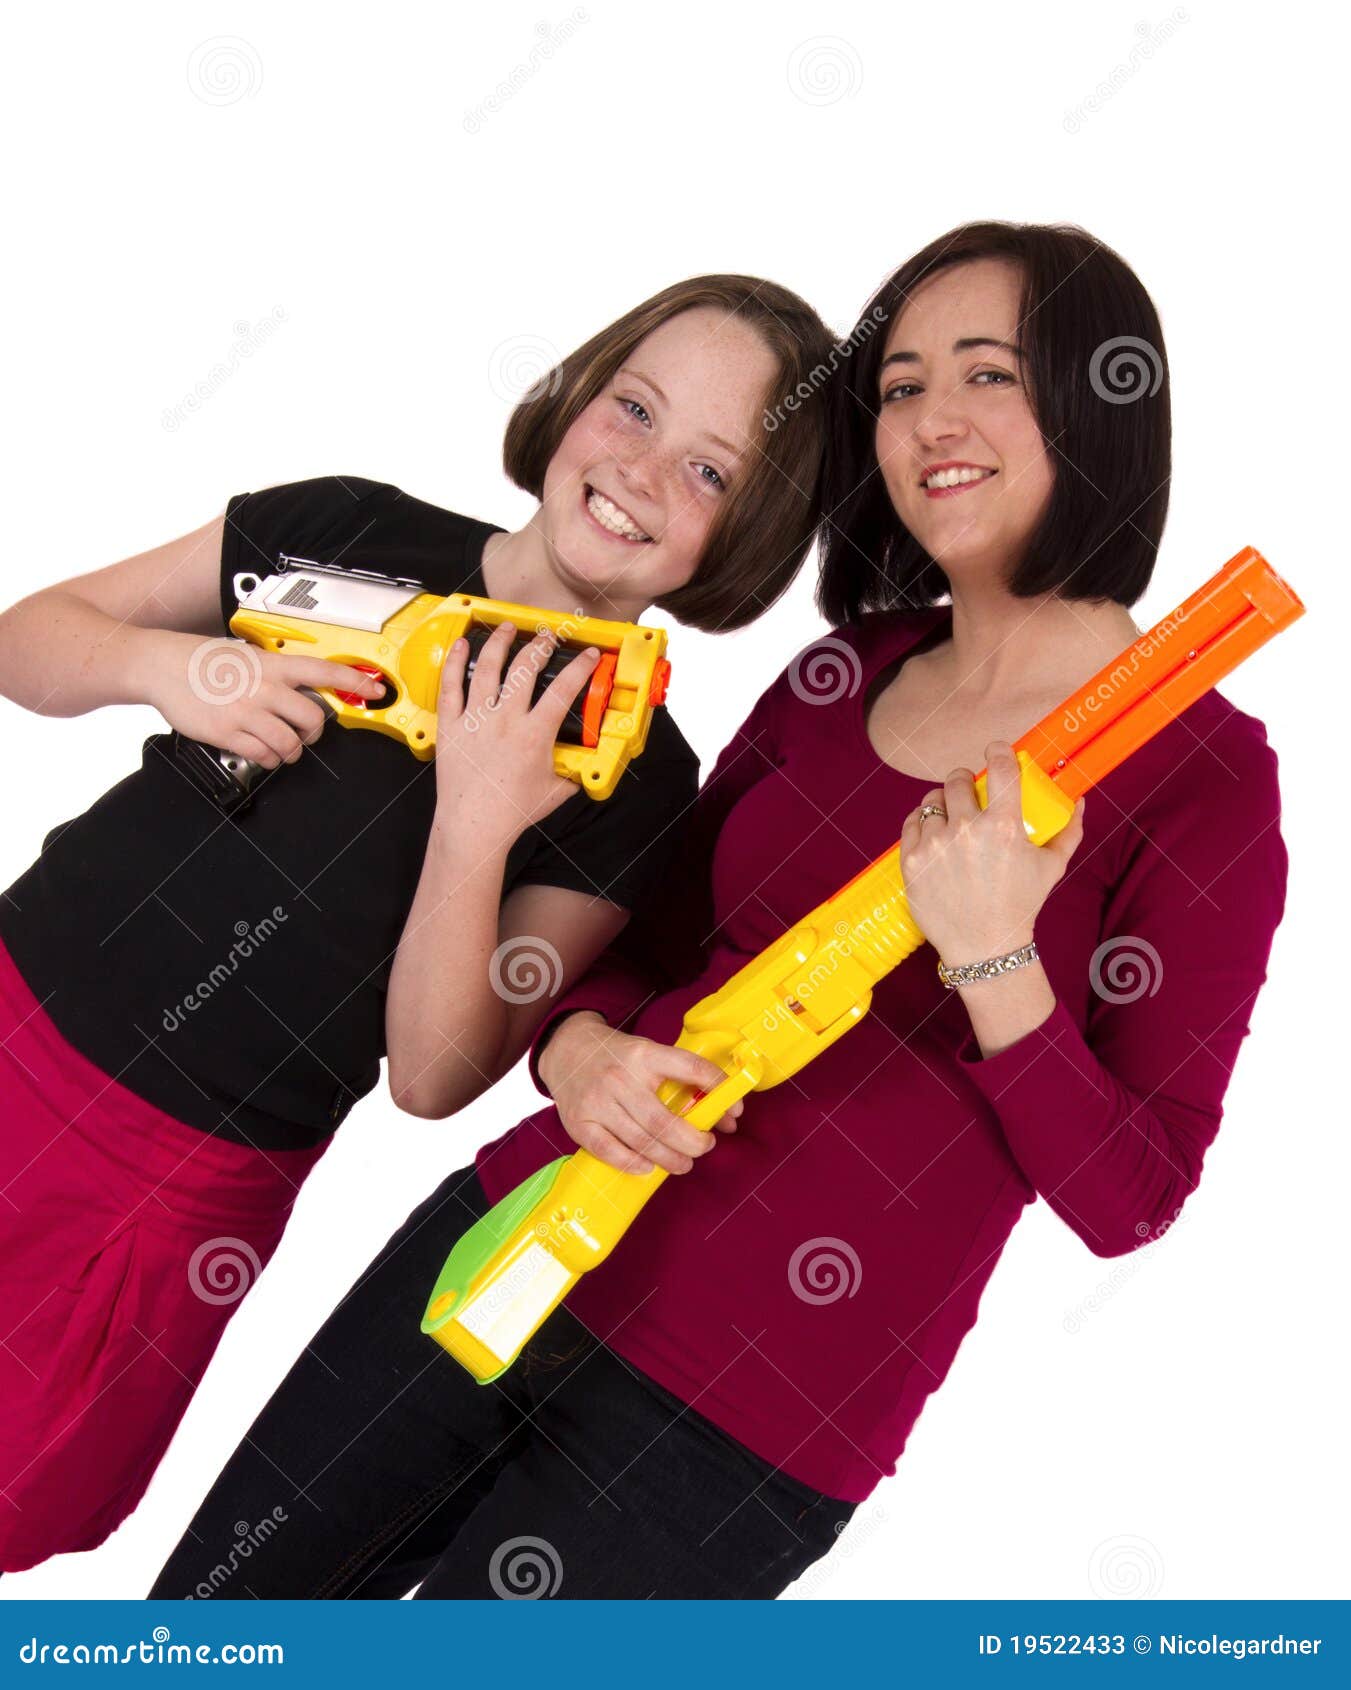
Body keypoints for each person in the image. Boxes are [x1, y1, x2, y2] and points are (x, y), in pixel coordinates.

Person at [150, 222, 1288, 1602]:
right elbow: (635, 943)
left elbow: (1134, 1195)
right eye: (903, 384)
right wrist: (578, 1054)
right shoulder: (847, 666)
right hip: (511, 1246)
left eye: (989, 374)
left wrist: (997, 960)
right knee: (200, 1629)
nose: (933, 420)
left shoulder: (1203, 773)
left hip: (737, 1436)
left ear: (1104, 405)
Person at [0, 274, 835, 1576]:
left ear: (742, 543)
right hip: (14, 1004)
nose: (641, 469)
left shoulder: (638, 778)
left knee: (27, 1482)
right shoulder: (344, 525)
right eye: (632, 406)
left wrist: (480, 814)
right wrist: (174, 667)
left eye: (712, 471)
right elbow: (30, 638)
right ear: (575, 388)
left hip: (185, 1181)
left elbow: (437, 1074)